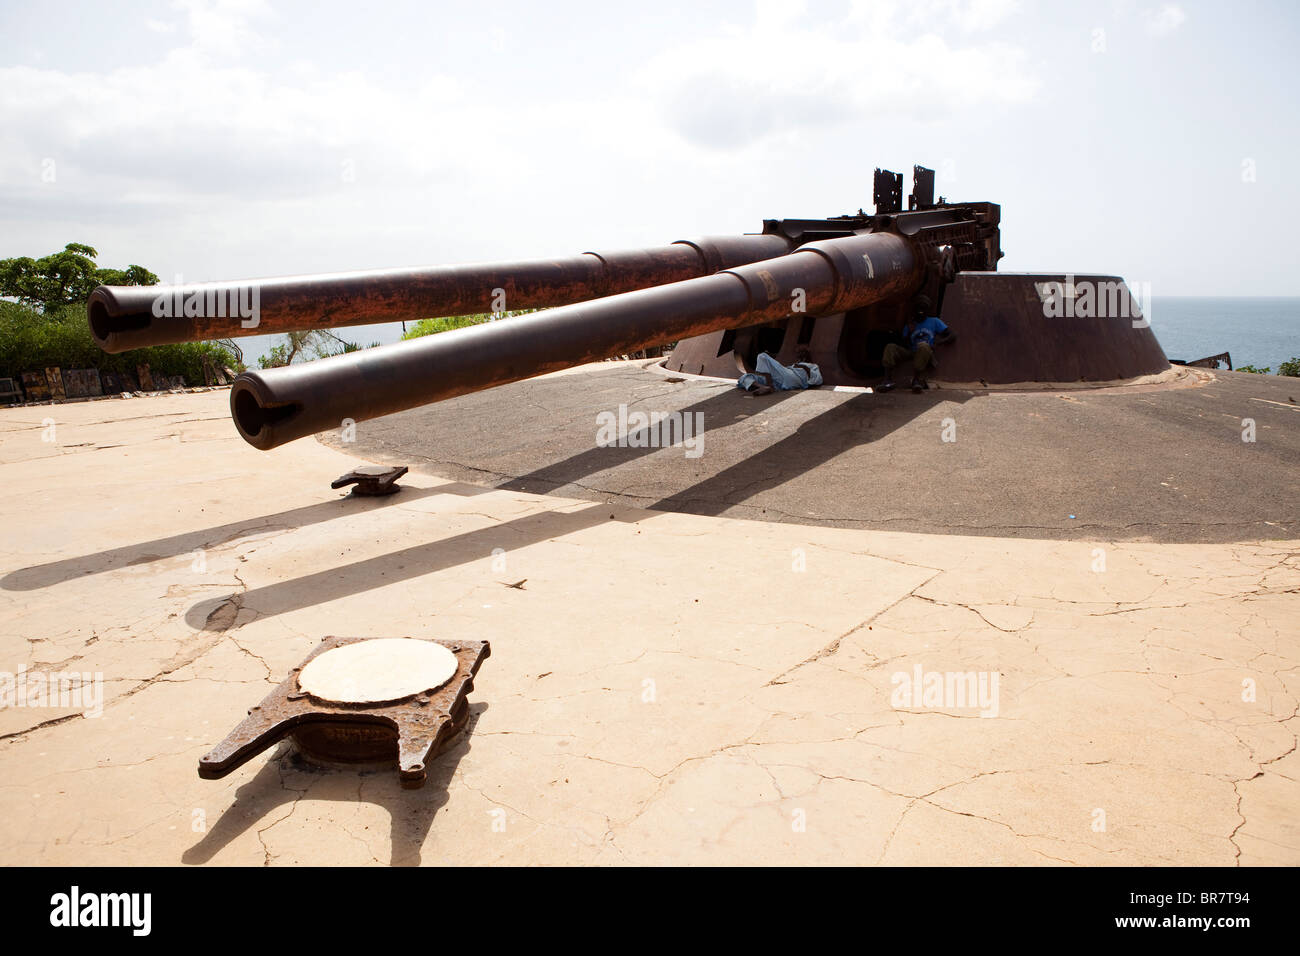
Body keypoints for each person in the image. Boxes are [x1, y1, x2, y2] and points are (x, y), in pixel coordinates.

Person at [881, 298, 956, 393]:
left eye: (923, 308)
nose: (920, 310)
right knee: (890, 347)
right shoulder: (911, 324)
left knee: (923, 346)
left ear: (927, 310)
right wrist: (909, 332)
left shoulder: (934, 321)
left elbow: (952, 335)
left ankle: (916, 380)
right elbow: (903, 343)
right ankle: (887, 381)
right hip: (911, 351)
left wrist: (937, 344)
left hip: (925, 351)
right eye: (918, 308)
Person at [737, 347, 823, 395]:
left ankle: (768, 385)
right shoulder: (793, 365)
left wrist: (803, 367)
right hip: (779, 382)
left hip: (792, 377)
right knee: (744, 377)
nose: (800, 356)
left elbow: (818, 380)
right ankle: (763, 387)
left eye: (802, 353)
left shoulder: (812, 366)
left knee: (762, 356)